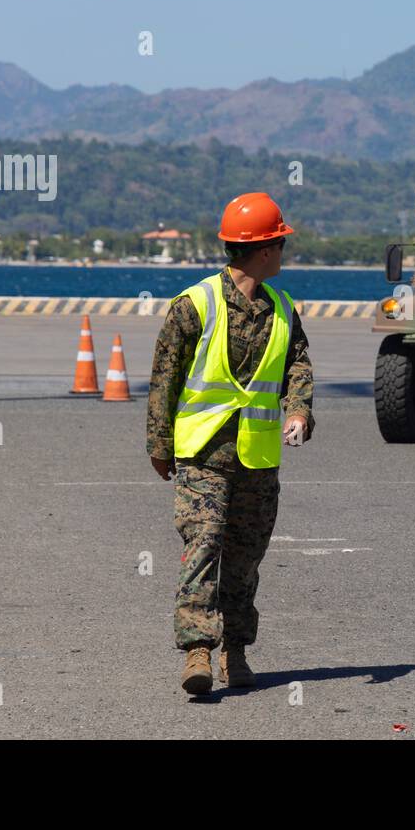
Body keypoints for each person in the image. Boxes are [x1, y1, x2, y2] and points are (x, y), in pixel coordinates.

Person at [146, 191, 313, 695]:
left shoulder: (283, 308)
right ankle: (198, 649)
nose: (284, 251)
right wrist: (158, 444)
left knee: (244, 560)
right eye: (280, 243)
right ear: (262, 249)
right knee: (204, 547)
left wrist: (300, 408)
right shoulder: (194, 305)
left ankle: (235, 651)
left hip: (258, 460)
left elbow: (297, 363)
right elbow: (165, 377)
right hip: (202, 456)